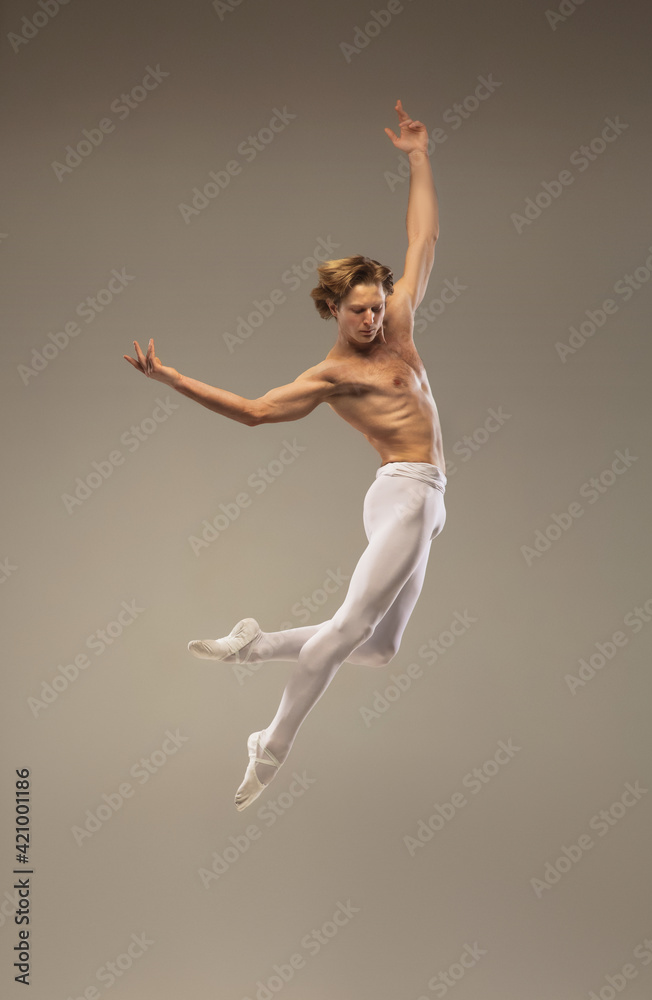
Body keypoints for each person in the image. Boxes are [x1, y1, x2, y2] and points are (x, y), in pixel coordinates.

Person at [124, 99, 447, 811]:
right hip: (403, 493)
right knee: (346, 631)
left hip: (428, 499)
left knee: (376, 648)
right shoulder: (331, 377)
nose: (370, 317)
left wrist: (418, 156)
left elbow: (421, 240)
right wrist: (171, 376)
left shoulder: (398, 326)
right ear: (331, 308)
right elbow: (252, 413)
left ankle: (252, 644)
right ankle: (269, 746)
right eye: (356, 308)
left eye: (375, 304)